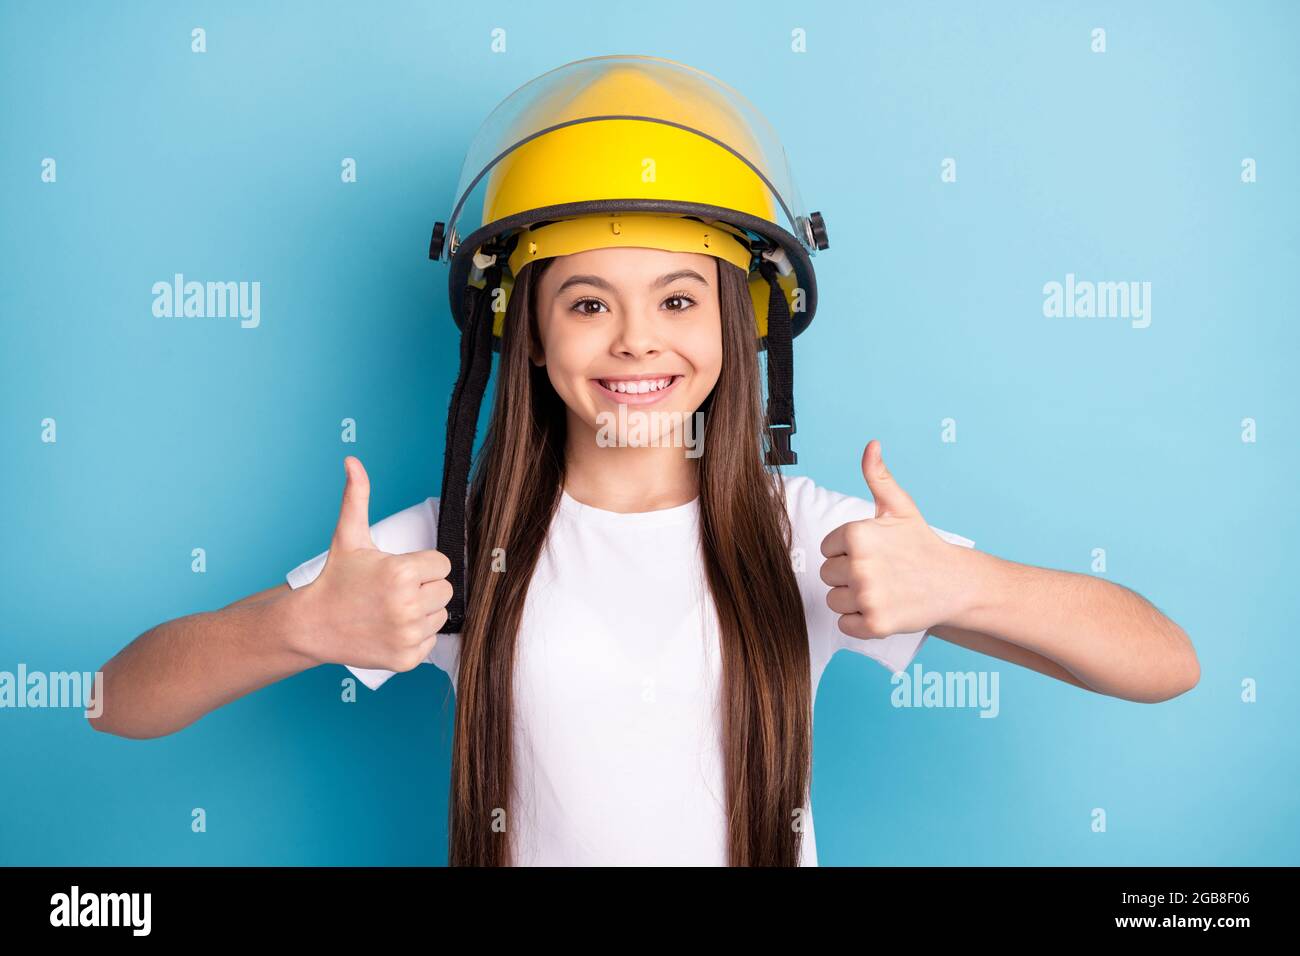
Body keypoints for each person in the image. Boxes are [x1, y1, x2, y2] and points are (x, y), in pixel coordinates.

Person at [88, 56, 1199, 867]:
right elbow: (112, 700)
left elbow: (1162, 662)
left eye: (676, 297)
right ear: (523, 330)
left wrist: (970, 584)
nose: (635, 340)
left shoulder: (811, 535)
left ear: (737, 321)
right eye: (586, 301)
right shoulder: (442, 548)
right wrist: (295, 626)